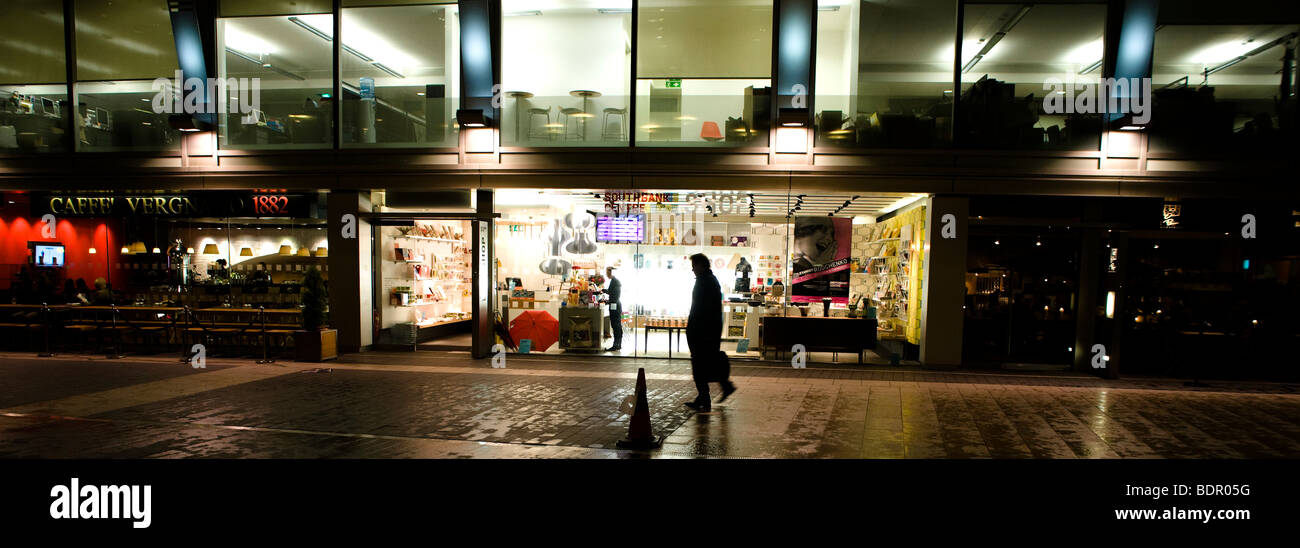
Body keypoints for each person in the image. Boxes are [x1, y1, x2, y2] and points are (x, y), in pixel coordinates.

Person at [685, 253, 735, 411]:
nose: (692, 269)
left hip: (703, 330)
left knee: (700, 363)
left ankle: (705, 398)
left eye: (694, 266)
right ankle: (717, 390)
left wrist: (693, 329)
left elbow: (701, 309)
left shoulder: (705, 282)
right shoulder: (708, 280)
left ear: (701, 265)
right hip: (707, 329)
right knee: (705, 362)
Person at [603, 266, 623, 351]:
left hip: (615, 306)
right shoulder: (614, 281)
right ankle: (617, 344)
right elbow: (612, 293)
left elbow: (614, 295)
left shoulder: (615, 281)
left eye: (607, 273)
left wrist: (608, 301)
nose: (606, 274)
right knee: (616, 325)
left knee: (616, 325)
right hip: (614, 304)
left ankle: (616, 344)